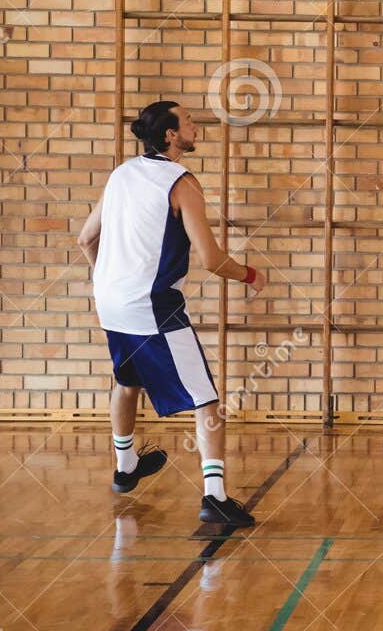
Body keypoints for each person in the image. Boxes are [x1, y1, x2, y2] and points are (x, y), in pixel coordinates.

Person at [77, 101, 265, 529]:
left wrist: (110, 281)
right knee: (208, 401)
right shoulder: (181, 183)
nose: (197, 126)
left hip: (110, 300)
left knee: (127, 383)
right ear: (169, 135)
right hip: (153, 306)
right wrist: (251, 275)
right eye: (189, 121)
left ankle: (126, 467)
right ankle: (215, 498)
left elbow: (86, 238)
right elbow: (212, 259)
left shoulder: (121, 174)